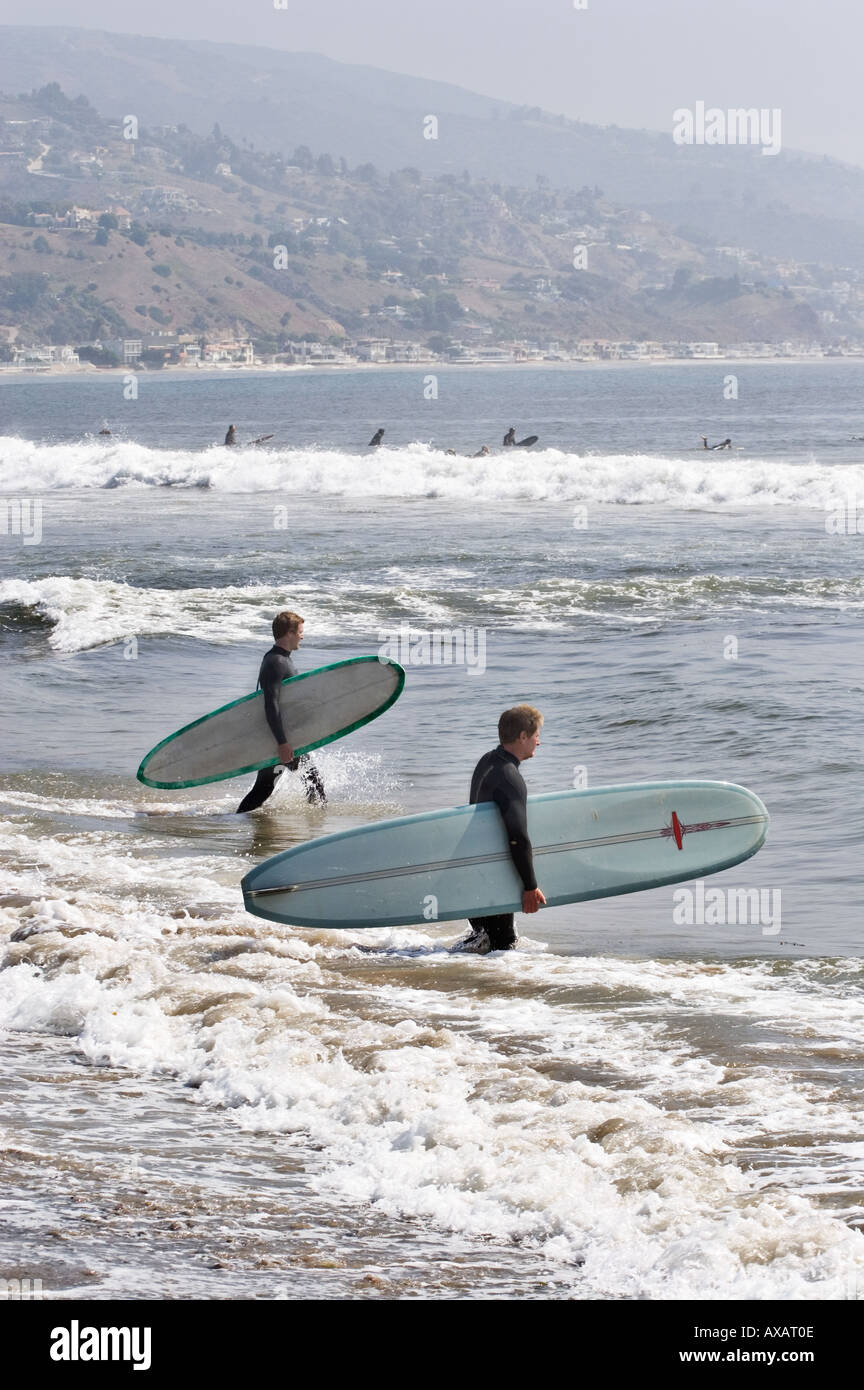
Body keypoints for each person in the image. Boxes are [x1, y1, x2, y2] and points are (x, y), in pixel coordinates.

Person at [456, 705, 547, 954]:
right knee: (502, 950)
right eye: (537, 735)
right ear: (522, 737)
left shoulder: (488, 761)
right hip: (491, 877)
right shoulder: (509, 777)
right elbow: (517, 836)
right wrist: (530, 886)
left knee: (481, 941)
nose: (539, 742)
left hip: (475, 871)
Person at [236, 610, 326, 813]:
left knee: (263, 789)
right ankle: (319, 827)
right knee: (315, 784)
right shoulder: (276, 662)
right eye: (300, 632)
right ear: (289, 633)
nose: (302, 636)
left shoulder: (281, 659)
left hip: (282, 737)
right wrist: (282, 743)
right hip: (282, 740)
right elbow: (271, 704)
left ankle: (236, 820)